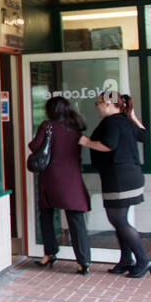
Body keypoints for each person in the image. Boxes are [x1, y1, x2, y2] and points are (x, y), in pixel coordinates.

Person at [80, 92, 151, 276]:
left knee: (118, 220)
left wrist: (86, 142)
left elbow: (108, 145)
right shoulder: (125, 120)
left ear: (109, 104)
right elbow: (144, 135)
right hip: (131, 175)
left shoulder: (112, 121)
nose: (96, 107)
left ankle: (143, 260)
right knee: (120, 220)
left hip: (119, 178)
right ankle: (126, 260)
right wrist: (132, 116)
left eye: (98, 103)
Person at [28, 96, 91, 273]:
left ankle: (49, 253)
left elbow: (34, 146)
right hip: (72, 177)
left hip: (51, 177)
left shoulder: (47, 126)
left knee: (46, 214)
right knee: (76, 219)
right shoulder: (76, 126)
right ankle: (83, 261)